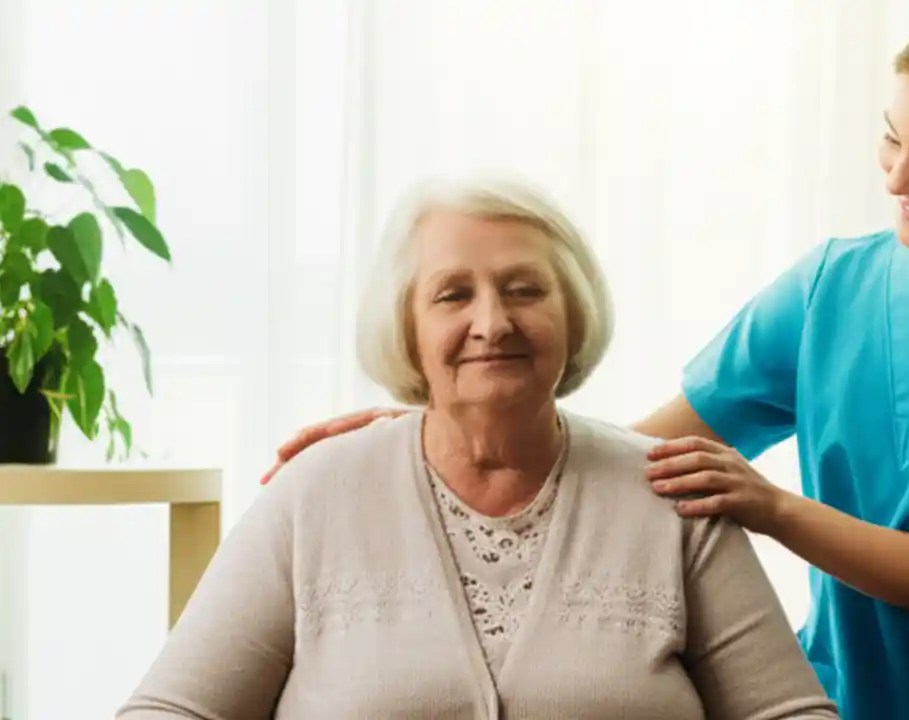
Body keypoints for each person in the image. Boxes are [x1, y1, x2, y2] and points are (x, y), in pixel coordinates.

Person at [263, 4, 909, 718]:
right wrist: (449, 427)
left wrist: (772, 509)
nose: (897, 179)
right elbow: (631, 453)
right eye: (892, 139)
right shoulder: (831, 290)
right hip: (840, 703)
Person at [118, 180, 838, 719]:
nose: (492, 322)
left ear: (574, 312)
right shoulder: (315, 495)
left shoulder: (669, 499)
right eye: (452, 295)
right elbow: (174, 710)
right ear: (404, 326)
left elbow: (788, 714)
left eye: (524, 289)